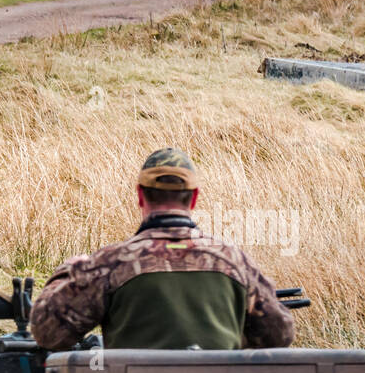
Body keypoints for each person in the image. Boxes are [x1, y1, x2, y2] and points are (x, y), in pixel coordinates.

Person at [30, 148, 295, 352]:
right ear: (194, 197)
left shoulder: (110, 264)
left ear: (140, 196)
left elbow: (47, 332)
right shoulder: (235, 262)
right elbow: (279, 335)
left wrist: (69, 271)